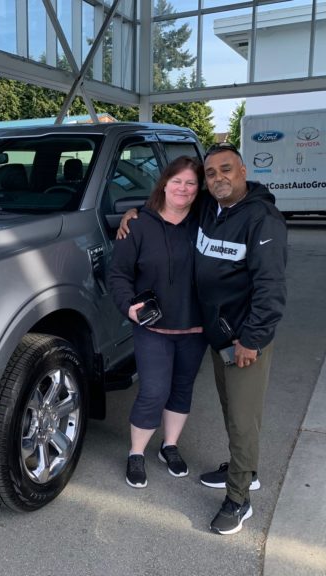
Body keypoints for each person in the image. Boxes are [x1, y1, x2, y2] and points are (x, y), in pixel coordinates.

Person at [117, 142, 287, 535]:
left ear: (243, 170)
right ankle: (244, 469)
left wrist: (253, 339)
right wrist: (135, 214)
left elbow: (271, 288)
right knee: (232, 410)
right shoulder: (211, 210)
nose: (217, 179)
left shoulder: (263, 220)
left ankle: (239, 499)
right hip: (219, 333)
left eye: (225, 170)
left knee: (244, 418)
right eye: (210, 174)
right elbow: (169, 201)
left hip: (245, 338)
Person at [108, 156, 208, 490]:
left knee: (181, 388)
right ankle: (136, 453)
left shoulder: (206, 223)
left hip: (196, 327)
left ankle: (169, 446)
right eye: (177, 181)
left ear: (198, 189)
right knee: (153, 390)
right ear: (164, 183)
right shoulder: (137, 224)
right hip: (153, 326)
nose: (183, 188)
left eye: (191, 183)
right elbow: (118, 274)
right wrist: (129, 307)